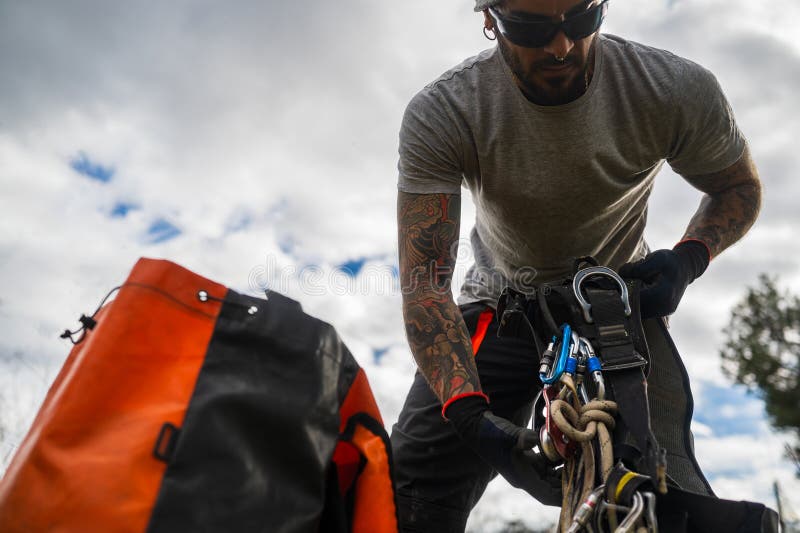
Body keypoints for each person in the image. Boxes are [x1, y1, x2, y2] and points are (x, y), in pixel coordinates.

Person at [390, 0, 762, 531]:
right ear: (490, 19)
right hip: (500, 305)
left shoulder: (670, 89)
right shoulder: (448, 109)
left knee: (651, 487)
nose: (562, 46)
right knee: (412, 489)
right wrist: (470, 417)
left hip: (614, 305)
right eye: (530, 27)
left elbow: (738, 186)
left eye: (581, 18)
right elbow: (425, 284)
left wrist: (688, 260)